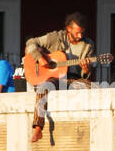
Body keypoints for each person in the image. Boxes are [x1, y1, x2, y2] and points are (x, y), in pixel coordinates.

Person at [25, 12, 95, 143]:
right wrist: (40, 59)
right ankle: (38, 128)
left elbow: (86, 74)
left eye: (82, 32)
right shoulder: (55, 38)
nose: (80, 36)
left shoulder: (88, 45)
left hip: (73, 79)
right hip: (54, 78)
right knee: (43, 87)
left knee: (96, 88)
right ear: (68, 29)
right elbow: (31, 43)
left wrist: (86, 69)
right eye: (77, 32)